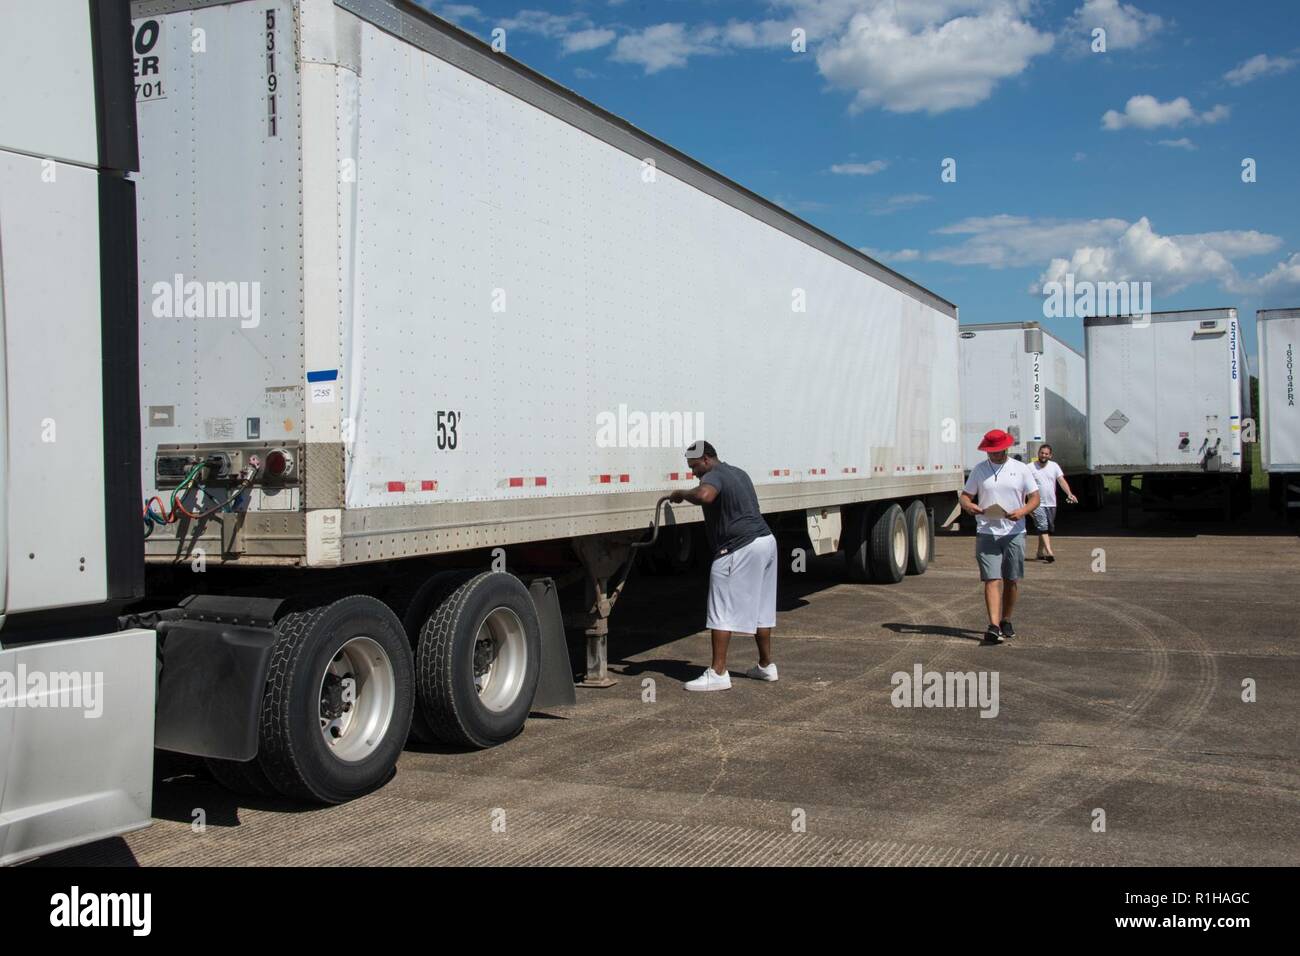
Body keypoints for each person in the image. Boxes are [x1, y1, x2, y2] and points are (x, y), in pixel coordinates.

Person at [669, 440, 778, 691]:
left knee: (721, 609)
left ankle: (718, 673)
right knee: (762, 608)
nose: (693, 472)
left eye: (694, 466)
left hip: (738, 547)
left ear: (707, 459)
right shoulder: (738, 472)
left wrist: (682, 494)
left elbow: (705, 495)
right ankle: (765, 666)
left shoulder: (714, 475)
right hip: (765, 541)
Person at [960, 429, 1040, 644]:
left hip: (1014, 531)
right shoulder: (979, 470)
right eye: (990, 451)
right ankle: (993, 626)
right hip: (987, 530)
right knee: (991, 578)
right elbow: (965, 497)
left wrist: (1022, 512)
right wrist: (970, 507)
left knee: (1011, 579)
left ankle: (1006, 619)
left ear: (1006, 448)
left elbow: (1035, 498)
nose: (994, 455)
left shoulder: (1021, 469)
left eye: (997, 451)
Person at [1028, 443, 1077, 563]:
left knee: (1046, 528)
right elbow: (1023, 485)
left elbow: (1061, 481)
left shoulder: (1054, 466)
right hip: (1036, 503)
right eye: (1041, 453)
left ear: (1050, 455)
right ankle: (1049, 552)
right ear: (1038, 453)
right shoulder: (1030, 467)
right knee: (1043, 526)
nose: (1043, 455)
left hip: (1051, 503)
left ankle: (1040, 553)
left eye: (1046, 454)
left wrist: (1069, 493)